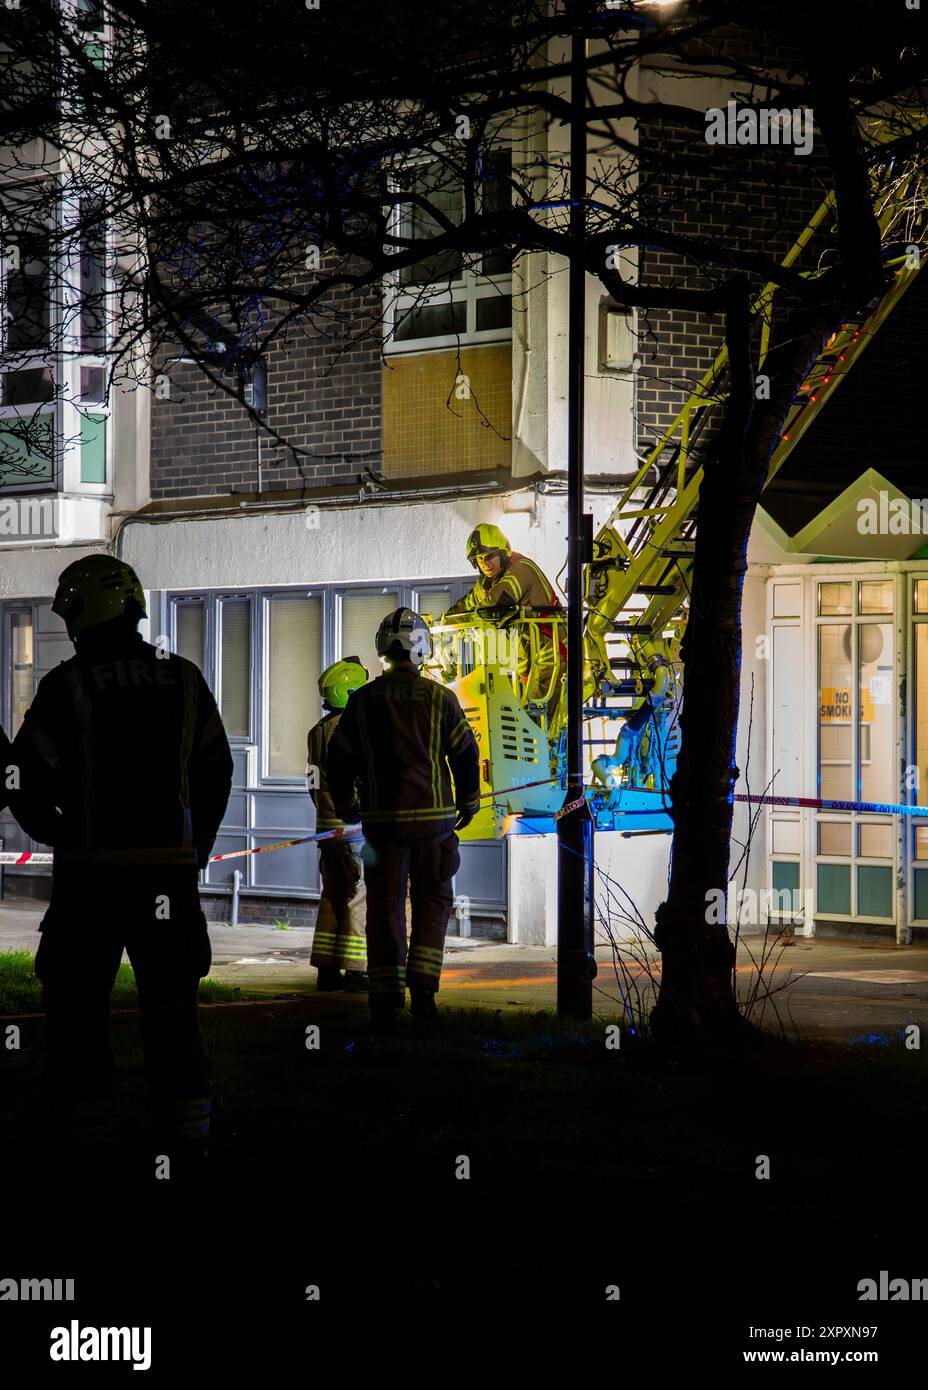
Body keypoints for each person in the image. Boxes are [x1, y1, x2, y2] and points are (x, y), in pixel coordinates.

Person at [6, 555, 232, 1154]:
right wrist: (198, 846)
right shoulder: (183, 676)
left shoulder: (69, 684)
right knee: (174, 1010)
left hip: (93, 883)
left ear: (83, 613)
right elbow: (216, 768)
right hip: (167, 881)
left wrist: (53, 830)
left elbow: (22, 776)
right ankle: (189, 1141)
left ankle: (85, 1142)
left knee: (77, 1012)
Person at [327, 608, 480, 1026]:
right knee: (433, 902)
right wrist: (469, 803)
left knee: (384, 905)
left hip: (382, 828)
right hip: (434, 826)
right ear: (423, 650)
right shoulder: (440, 698)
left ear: (383, 649)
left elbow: (336, 761)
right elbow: (466, 756)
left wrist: (346, 805)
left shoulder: (362, 701)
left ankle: (385, 996)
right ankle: (424, 993)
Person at [446, 523, 564, 717]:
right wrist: (445, 621)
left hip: (551, 652)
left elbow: (497, 604)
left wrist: (472, 614)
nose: (485, 563)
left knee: (539, 716)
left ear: (503, 552)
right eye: (479, 558)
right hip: (526, 657)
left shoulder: (521, 568)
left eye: (490, 556)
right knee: (521, 713)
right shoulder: (488, 582)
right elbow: (467, 605)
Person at [306, 657, 369, 993]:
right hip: (353, 828)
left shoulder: (316, 731)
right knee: (363, 893)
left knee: (332, 894)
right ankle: (359, 969)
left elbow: (313, 784)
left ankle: (327, 970)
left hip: (326, 828)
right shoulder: (353, 729)